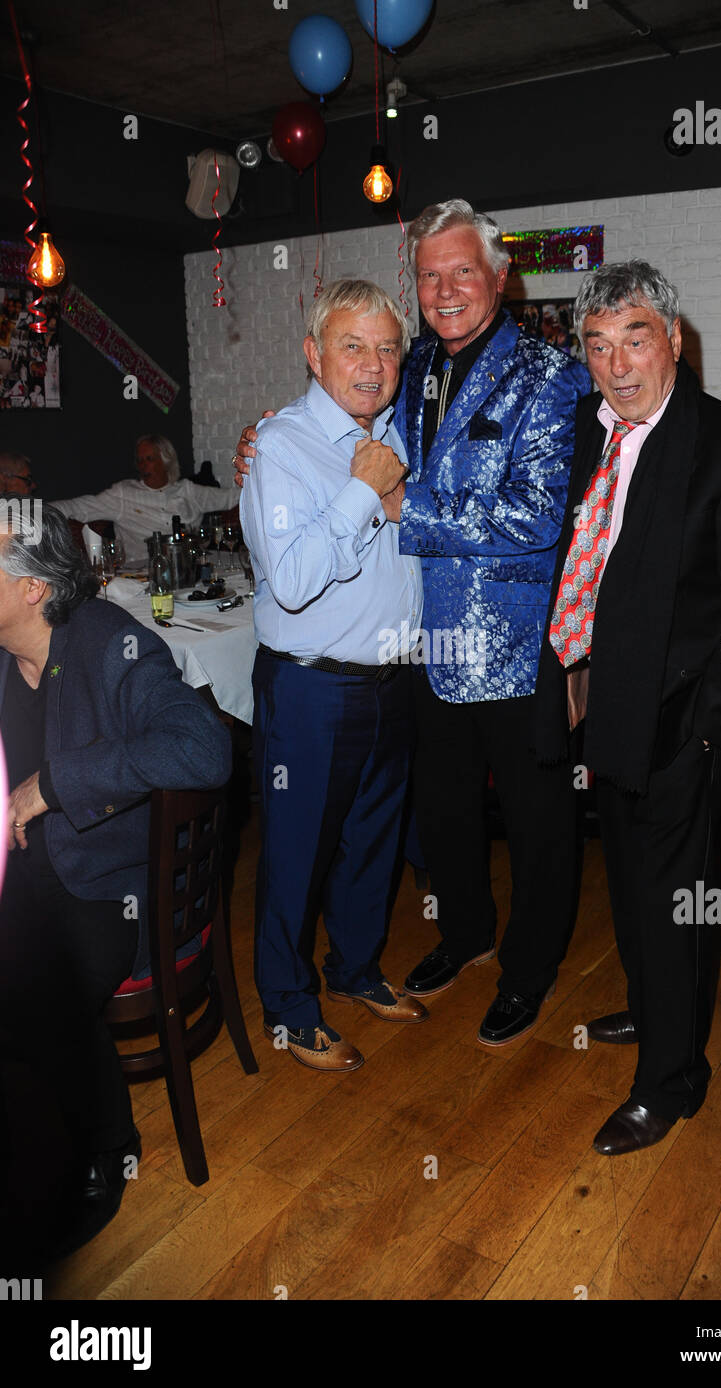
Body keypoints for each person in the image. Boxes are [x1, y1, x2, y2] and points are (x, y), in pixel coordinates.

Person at [235, 199, 594, 1048]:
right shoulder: (413, 371)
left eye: (461, 270)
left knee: (535, 824)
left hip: (513, 649)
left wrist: (399, 501)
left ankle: (527, 968)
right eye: (428, 275)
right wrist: (266, 437)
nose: (444, 289)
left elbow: (538, 516)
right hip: (420, 659)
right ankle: (460, 935)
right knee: (437, 819)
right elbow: (328, 423)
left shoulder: (552, 376)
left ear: (500, 277)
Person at [533, 260, 721, 1155]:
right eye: (598, 346)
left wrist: (706, 728)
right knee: (631, 882)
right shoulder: (586, 429)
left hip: (684, 714)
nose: (615, 364)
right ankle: (654, 1015)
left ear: (672, 341)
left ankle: (674, 1079)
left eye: (634, 338)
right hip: (603, 698)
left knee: (677, 892)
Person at [0, 501, 232, 1258]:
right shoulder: (5, 658)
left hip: (110, 885)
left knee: (34, 987)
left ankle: (104, 1148)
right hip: (25, 876)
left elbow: (202, 749)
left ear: (32, 586)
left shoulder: (108, 641)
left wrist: (53, 782)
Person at [239, 279, 427, 1076]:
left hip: (395, 681)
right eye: (352, 345)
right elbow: (291, 580)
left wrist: (395, 489)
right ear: (314, 354)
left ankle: (353, 970)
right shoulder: (279, 445)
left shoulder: (401, 432)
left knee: (369, 848)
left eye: (388, 346)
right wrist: (364, 489)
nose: (373, 363)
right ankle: (287, 1005)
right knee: (295, 854)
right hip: (312, 690)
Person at [53, 435, 235, 568]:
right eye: (139, 460)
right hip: (140, 574)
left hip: (188, 567)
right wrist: (33, 510)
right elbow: (78, 507)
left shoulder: (188, 491)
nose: (143, 465)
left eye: (149, 459)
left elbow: (231, 498)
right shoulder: (123, 494)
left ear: (166, 461)